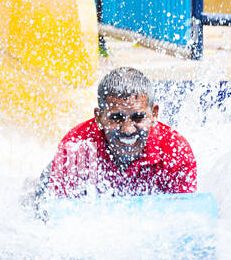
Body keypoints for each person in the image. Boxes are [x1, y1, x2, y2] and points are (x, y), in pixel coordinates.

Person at [33, 67, 197, 201]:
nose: (128, 129)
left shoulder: (175, 151)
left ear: (154, 114)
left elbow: (183, 219)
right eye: (116, 118)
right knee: (38, 199)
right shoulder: (77, 145)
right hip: (50, 179)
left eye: (138, 117)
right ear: (99, 117)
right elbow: (58, 219)